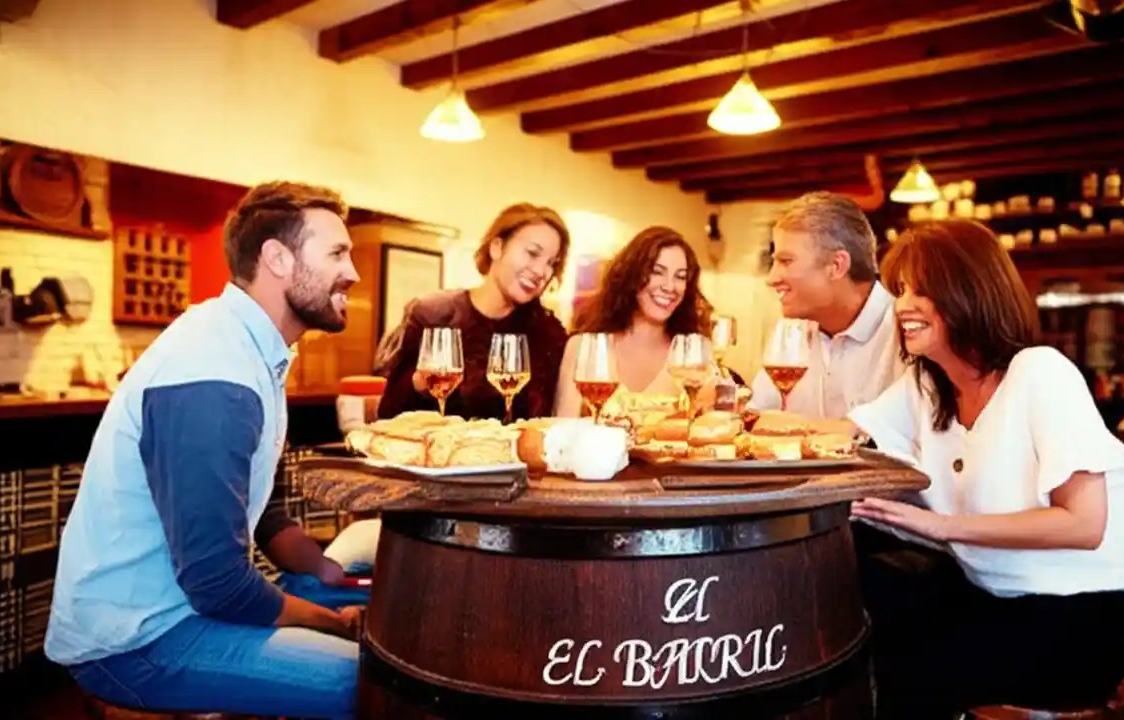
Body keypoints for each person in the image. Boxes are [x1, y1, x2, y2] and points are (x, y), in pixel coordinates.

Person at [44, 182, 366, 719]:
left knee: (357, 601)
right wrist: (329, 621)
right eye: (337, 252)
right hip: (135, 643)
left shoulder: (243, 347)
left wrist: (323, 572)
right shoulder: (214, 371)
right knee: (368, 684)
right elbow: (216, 583)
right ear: (277, 258)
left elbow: (250, 504)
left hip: (179, 611)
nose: (352, 272)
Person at [844, 220, 1124, 718]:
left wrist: (942, 526)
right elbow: (839, 433)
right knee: (863, 569)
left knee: (904, 665)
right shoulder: (928, 386)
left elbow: (1084, 523)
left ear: (969, 291)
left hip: (1083, 615)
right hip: (992, 594)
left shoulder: (1040, 372)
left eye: (922, 289)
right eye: (900, 290)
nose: (902, 305)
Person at [377, 203, 570, 421]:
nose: (540, 271)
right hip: (439, 451)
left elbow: (554, 421)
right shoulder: (433, 314)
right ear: (496, 247)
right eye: (532, 253)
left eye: (551, 263)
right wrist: (420, 384)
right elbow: (388, 415)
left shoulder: (548, 334)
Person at [748, 191, 904, 419]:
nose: (771, 278)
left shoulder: (906, 332)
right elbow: (757, 417)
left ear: (837, 265)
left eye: (786, 261)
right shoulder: (793, 332)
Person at [552, 226, 714, 417]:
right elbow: (562, 431)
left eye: (680, 277)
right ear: (631, 275)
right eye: (657, 271)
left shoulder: (694, 357)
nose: (669, 286)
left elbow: (706, 436)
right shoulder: (583, 348)